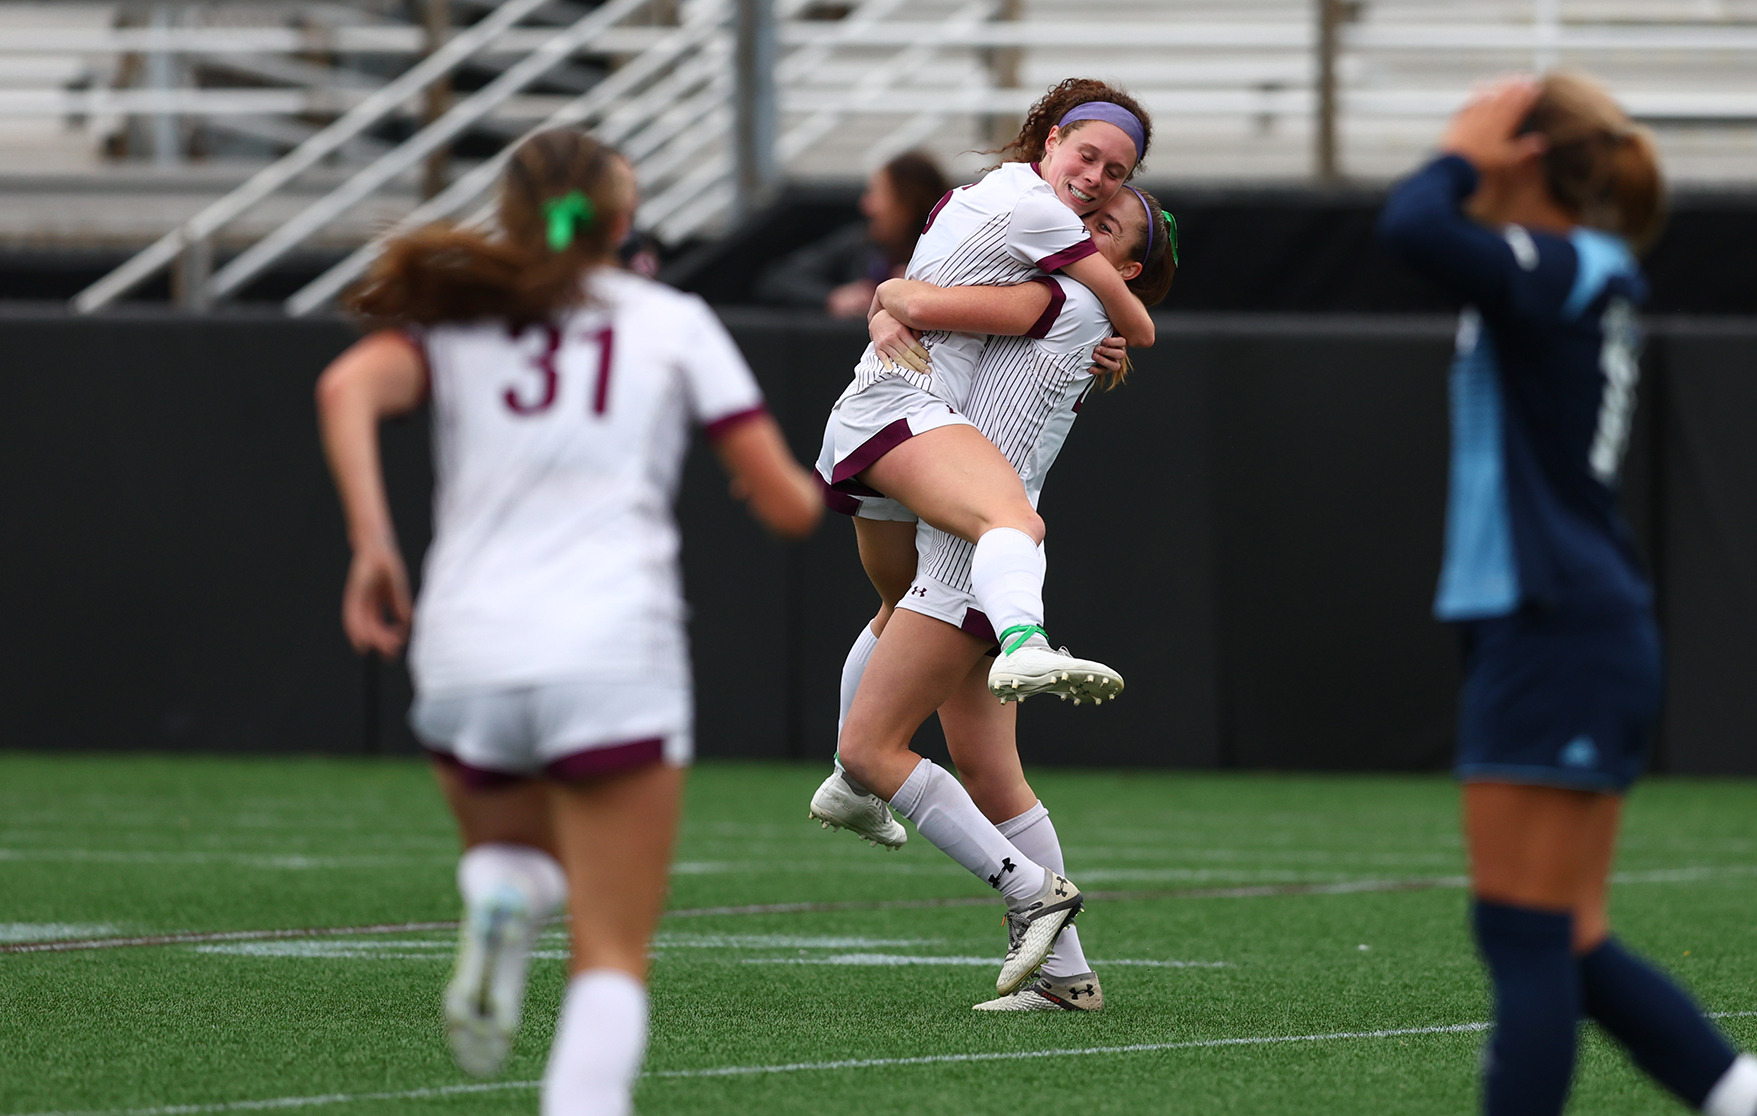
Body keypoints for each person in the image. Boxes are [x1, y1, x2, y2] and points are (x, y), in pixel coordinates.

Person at [316, 129, 820, 1116]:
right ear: (622, 223)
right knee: (610, 953)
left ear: (510, 218)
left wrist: (372, 544)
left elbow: (345, 389)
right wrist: (773, 488)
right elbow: (790, 506)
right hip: (609, 652)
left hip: (463, 653)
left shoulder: (456, 323)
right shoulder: (669, 320)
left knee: (514, 857)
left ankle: (499, 894)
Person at [1378, 75, 1757, 1116]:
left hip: (1553, 621)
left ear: (1527, 154)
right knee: (1562, 935)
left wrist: (1463, 152)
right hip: (1562, 619)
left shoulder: (1558, 264)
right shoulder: (1580, 267)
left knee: (1523, 933)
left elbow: (1410, 226)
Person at [811, 183, 1176, 1010]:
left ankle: (1029, 890)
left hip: (967, 564)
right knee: (991, 773)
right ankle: (1067, 977)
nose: (1077, 227)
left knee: (874, 749)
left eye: (1103, 228)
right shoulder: (1078, 307)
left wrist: (891, 299)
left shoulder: (1059, 295)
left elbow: (925, 300)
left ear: (1122, 267)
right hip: (975, 550)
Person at [754, 150, 950, 316]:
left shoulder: (949, 254)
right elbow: (778, 280)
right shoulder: (859, 244)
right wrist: (833, 297)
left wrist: (927, 287)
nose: (865, 206)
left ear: (907, 204)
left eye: (876, 194)